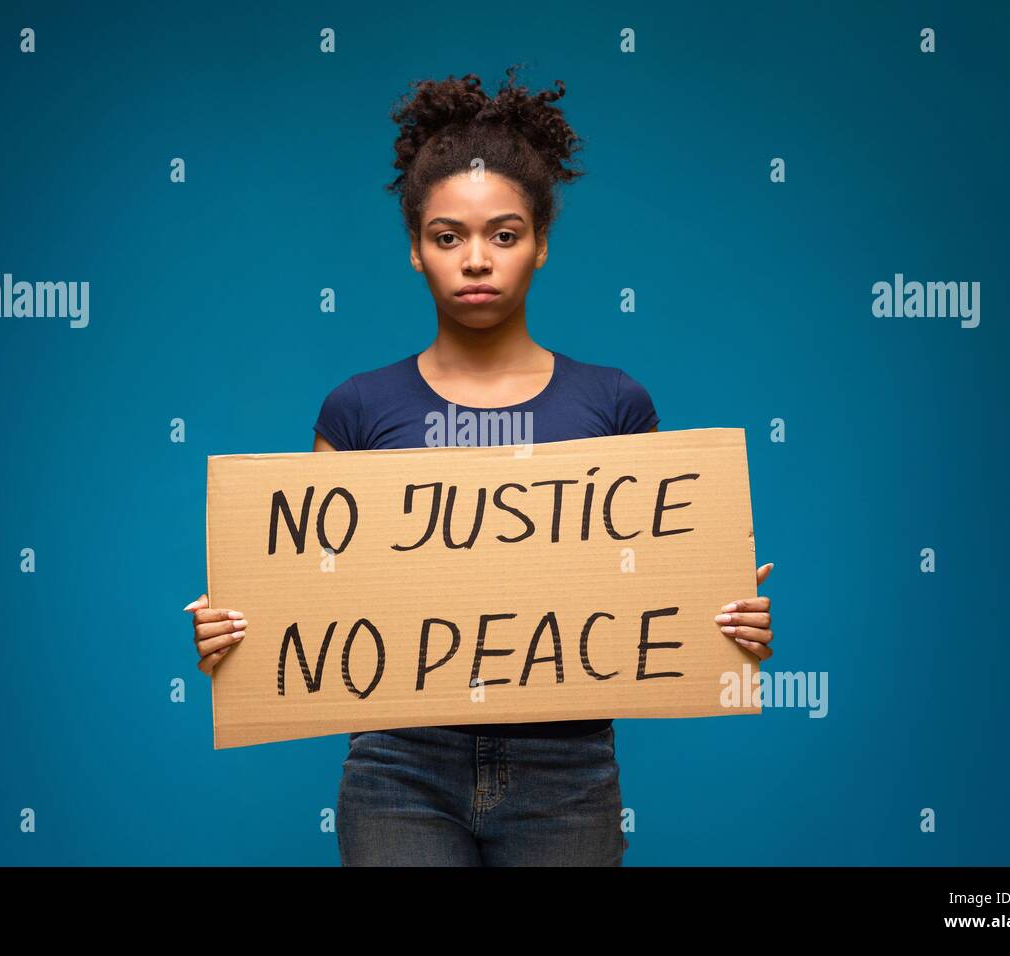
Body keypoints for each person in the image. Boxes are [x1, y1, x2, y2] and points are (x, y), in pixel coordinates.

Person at [185, 66, 775, 866]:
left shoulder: (615, 403)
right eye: (447, 236)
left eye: (504, 234)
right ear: (415, 252)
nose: (475, 260)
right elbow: (309, 592)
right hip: (400, 766)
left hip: (566, 771)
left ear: (539, 247)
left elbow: (647, 583)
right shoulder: (355, 410)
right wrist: (241, 623)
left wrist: (717, 612)